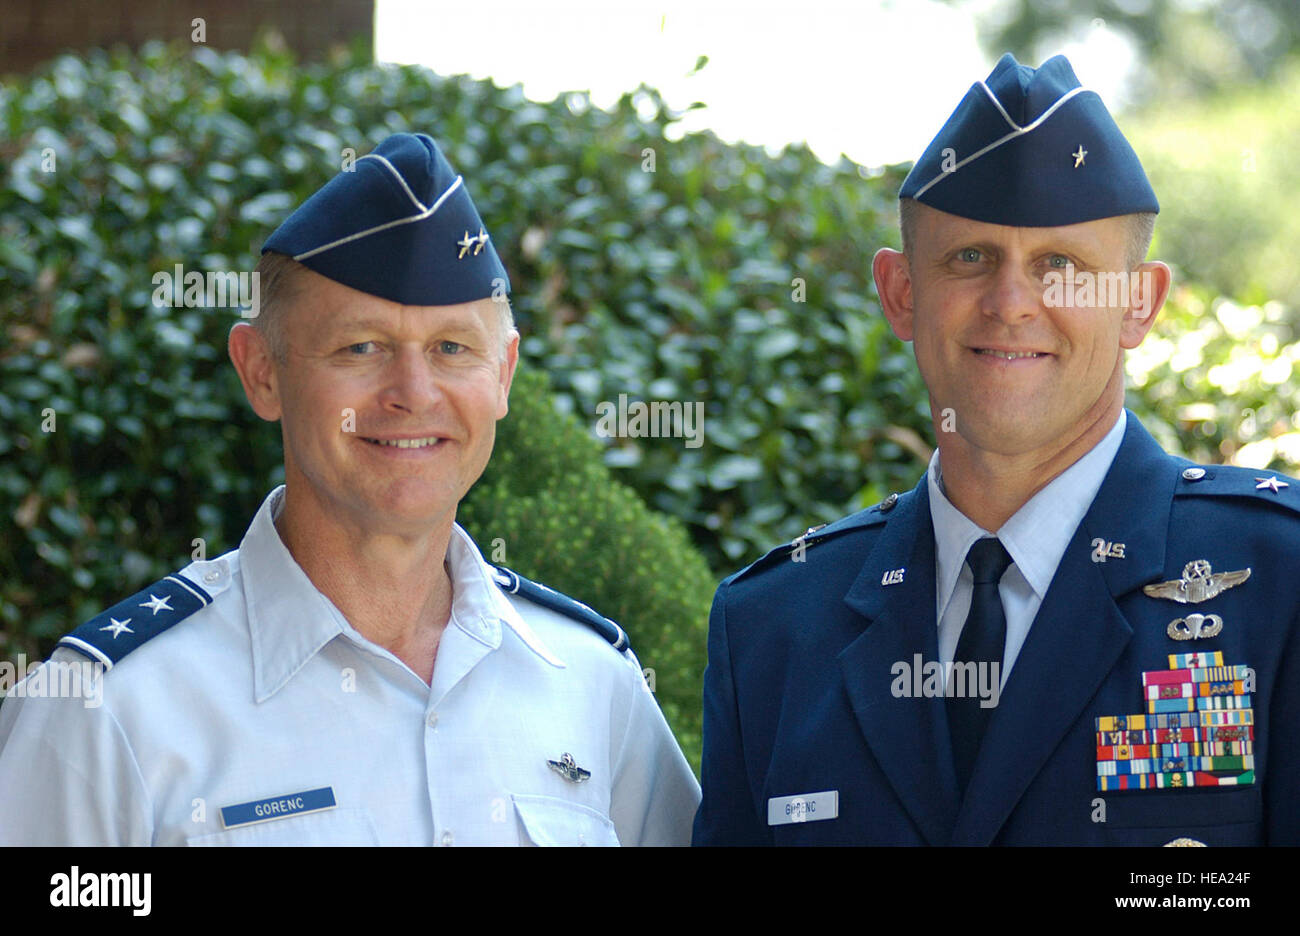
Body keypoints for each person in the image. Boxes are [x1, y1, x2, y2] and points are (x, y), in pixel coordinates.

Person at [0, 132, 700, 846]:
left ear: (504, 375)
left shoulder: (593, 686)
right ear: (262, 371)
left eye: (452, 348)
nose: (413, 393)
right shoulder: (104, 714)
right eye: (361, 347)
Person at [692, 54, 1299, 846]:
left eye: (1062, 266)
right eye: (970, 258)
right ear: (901, 293)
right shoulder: (776, 625)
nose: (1013, 304)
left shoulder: (1278, 583)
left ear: (1138, 304)